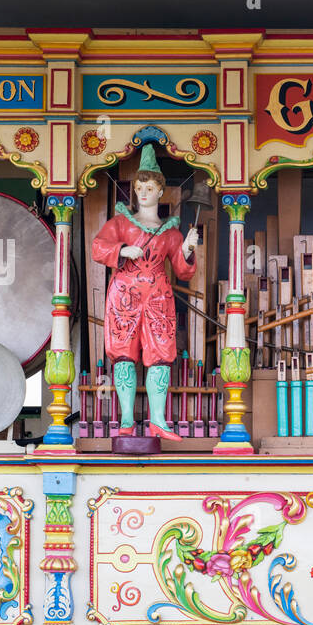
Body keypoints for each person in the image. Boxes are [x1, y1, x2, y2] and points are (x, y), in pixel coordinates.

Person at [90, 144, 199, 440]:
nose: (143, 192)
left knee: (161, 354)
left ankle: (158, 420)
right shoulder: (121, 222)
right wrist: (124, 249)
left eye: (149, 187)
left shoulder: (171, 232)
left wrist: (188, 249)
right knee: (124, 355)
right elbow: (98, 247)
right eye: (139, 187)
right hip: (124, 294)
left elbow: (183, 270)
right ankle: (126, 420)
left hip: (158, 297)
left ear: (160, 190)